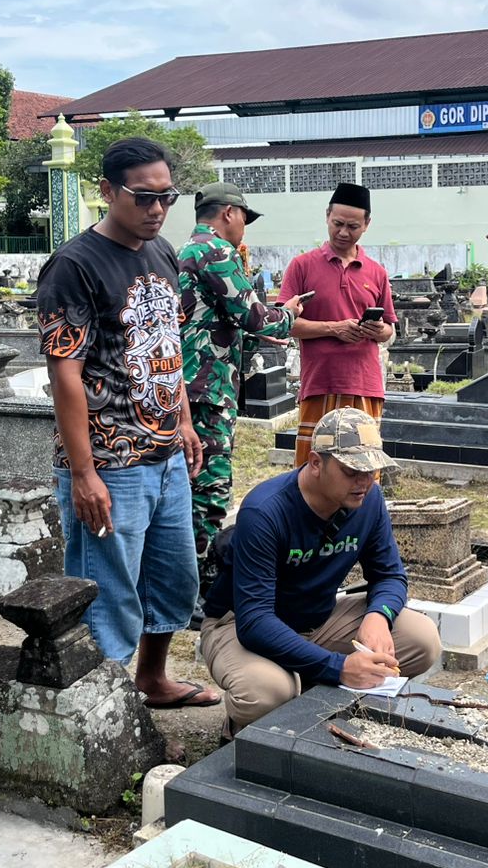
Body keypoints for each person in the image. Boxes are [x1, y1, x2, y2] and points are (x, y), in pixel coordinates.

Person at [37, 137, 219, 709]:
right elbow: (65, 374)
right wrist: (84, 472)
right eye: (144, 198)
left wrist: (184, 420)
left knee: (174, 580)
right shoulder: (74, 265)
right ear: (107, 191)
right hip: (110, 465)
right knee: (109, 592)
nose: (157, 209)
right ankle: (103, 707)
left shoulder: (160, 251)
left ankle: (152, 678)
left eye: (167, 197)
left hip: (164, 455)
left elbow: (168, 343)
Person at [199, 408, 442, 734]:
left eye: (372, 471)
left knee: (422, 640)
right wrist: (338, 667)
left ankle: (318, 702)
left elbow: (390, 574)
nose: (364, 482)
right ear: (315, 462)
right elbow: (255, 621)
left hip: (318, 618)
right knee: (269, 693)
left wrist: (378, 617)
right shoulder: (266, 511)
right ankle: (242, 731)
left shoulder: (368, 500)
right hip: (239, 624)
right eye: (352, 470)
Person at [178, 181, 303, 607]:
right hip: (207, 389)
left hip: (192, 386)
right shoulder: (216, 252)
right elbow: (253, 314)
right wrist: (289, 314)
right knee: (208, 490)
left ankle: (189, 584)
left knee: (188, 483)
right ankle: (201, 591)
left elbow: (216, 320)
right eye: (244, 219)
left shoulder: (184, 252)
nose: (245, 229)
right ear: (229, 213)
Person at [280, 182, 395, 466]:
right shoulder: (302, 266)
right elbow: (285, 324)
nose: (343, 232)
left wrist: (378, 331)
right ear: (327, 216)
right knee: (313, 468)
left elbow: (390, 328)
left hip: (365, 384)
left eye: (352, 226)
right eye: (337, 223)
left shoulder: (377, 272)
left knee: (364, 469)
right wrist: (334, 328)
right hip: (320, 382)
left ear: (367, 225)